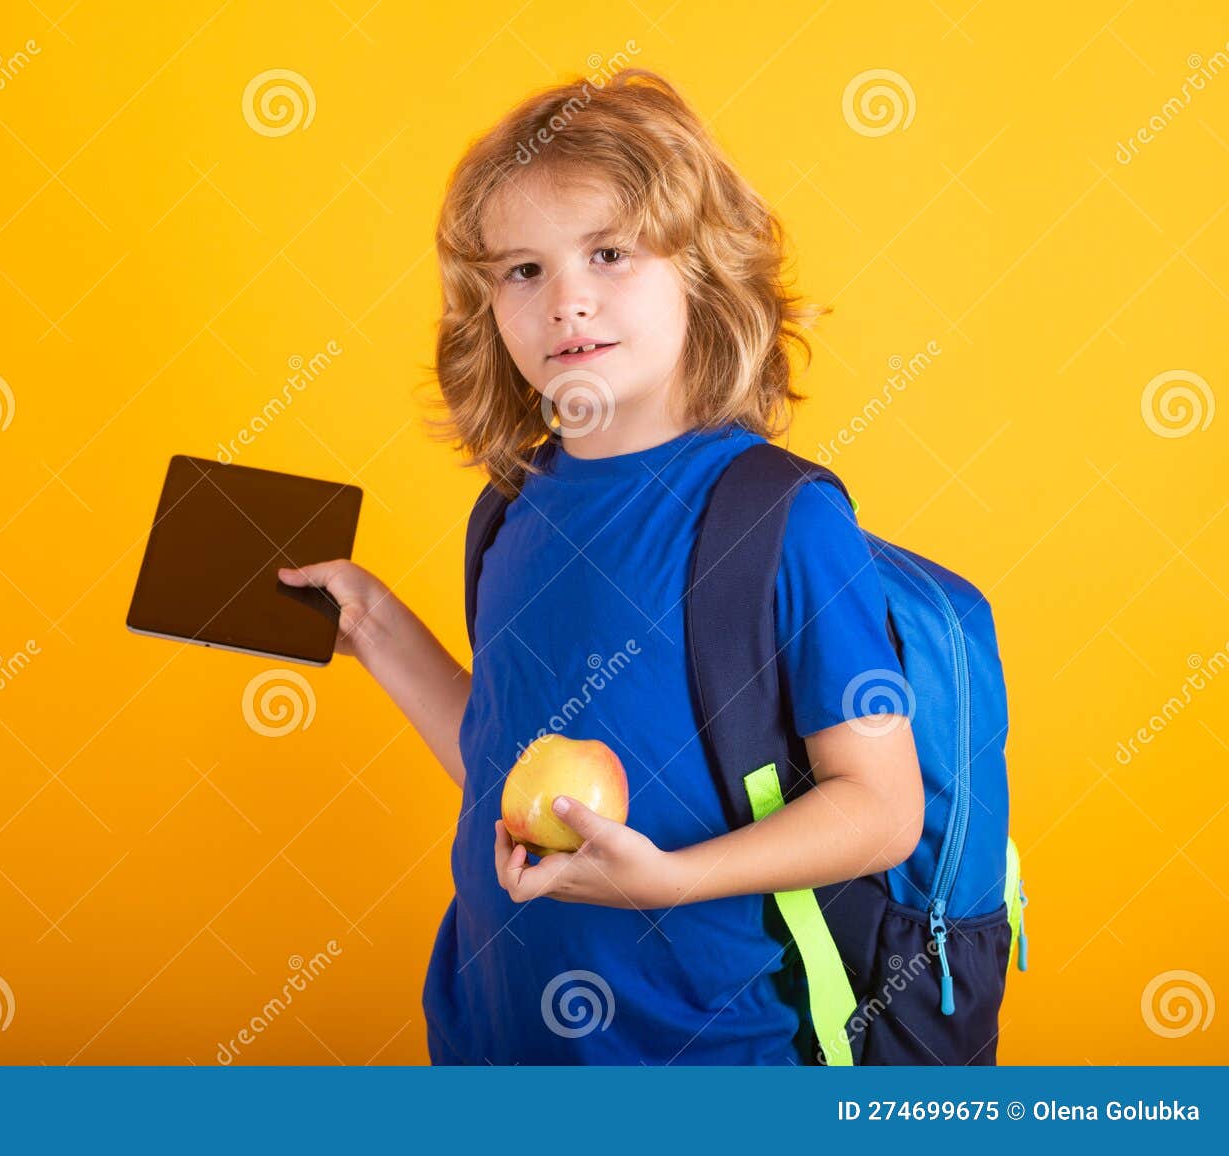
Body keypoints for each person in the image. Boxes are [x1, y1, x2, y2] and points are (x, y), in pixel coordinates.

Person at [277, 69, 923, 1065]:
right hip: (483, 1037)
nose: (566, 301)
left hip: (697, 1059)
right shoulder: (511, 507)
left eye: (609, 253)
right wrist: (370, 624)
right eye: (522, 271)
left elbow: (879, 809)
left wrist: (668, 879)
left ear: (702, 272)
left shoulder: (777, 519)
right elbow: (508, 766)